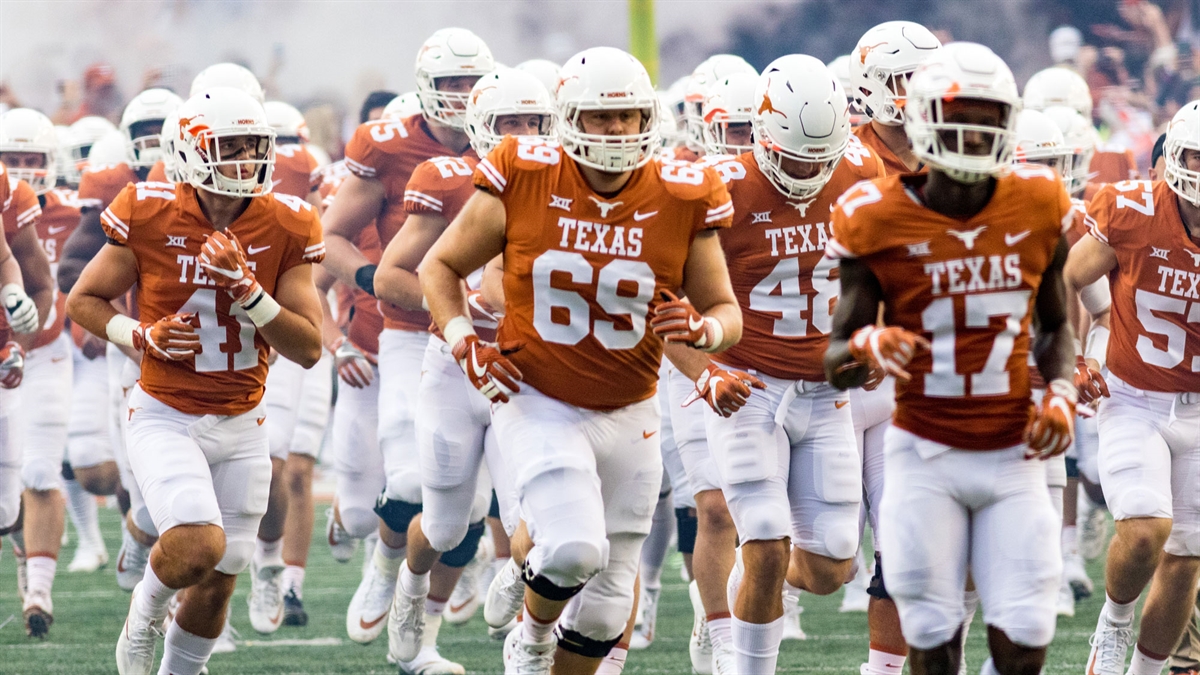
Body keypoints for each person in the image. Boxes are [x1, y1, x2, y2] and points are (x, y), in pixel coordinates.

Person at [420, 45, 741, 675]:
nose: (617, 129)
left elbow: (725, 310)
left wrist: (705, 333)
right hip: (538, 396)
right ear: (569, 118)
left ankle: (538, 615)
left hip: (631, 408)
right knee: (571, 548)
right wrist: (463, 341)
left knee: (605, 610)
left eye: (628, 115)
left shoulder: (684, 191)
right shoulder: (523, 172)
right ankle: (533, 636)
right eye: (600, 116)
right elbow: (441, 266)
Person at [825, 42, 1075, 675]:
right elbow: (835, 358)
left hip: (1013, 450)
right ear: (924, 118)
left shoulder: (1039, 200)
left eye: (990, 118)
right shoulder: (875, 215)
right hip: (924, 453)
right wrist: (868, 344)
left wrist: (1060, 393)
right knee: (932, 642)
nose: (976, 132)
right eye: (962, 115)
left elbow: (1055, 326)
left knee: (1026, 642)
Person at [66, 86, 324, 675]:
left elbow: (309, 347)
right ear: (189, 152)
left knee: (220, 579)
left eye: (253, 145)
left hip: (244, 421)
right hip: (166, 413)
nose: (246, 159)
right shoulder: (149, 210)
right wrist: (142, 336)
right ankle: (145, 611)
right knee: (197, 544)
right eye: (230, 146)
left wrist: (247, 290)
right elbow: (84, 300)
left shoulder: (288, 221)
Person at [703, 54, 881, 675]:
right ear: (762, 135)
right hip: (747, 385)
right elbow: (665, 296)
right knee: (766, 540)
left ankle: (746, 586)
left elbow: (878, 265)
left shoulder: (859, 167)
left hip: (825, 391)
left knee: (833, 565)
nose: (808, 170)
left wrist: (873, 333)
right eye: (795, 157)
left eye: (819, 157)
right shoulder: (721, 187)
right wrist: (705, 370)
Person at [320, 27, 494, 649]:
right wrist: (375, 280)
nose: (462, 93)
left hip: (497, 338)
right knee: (410, 484)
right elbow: (330, 236)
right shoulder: (388, 146)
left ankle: (423, 623)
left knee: (474, 510)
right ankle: (384, 564)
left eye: (473, 81)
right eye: (451, 82)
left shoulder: (516, 142)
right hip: (410, 332)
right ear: (425, 86)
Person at [379, 67, 556, 673]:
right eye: (510, 122)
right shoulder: (450, 180)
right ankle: (410, 596)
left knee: (538, 515)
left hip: (525, 375)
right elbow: (391, 277)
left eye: (533, 121)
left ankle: (520, 575)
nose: (523, 133)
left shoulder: (573, 186)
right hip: (456, 368)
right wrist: (458, 306)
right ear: (481, 127)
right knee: (447, 527)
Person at [1067, 101, 1200, 675]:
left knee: (1186, 557)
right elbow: (1068, 276)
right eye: (1198, 156)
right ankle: (1115, 621)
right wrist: (1073, 356)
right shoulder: (1133, 210)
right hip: (1134, 397)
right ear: (1175, 156)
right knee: (1146, 531)